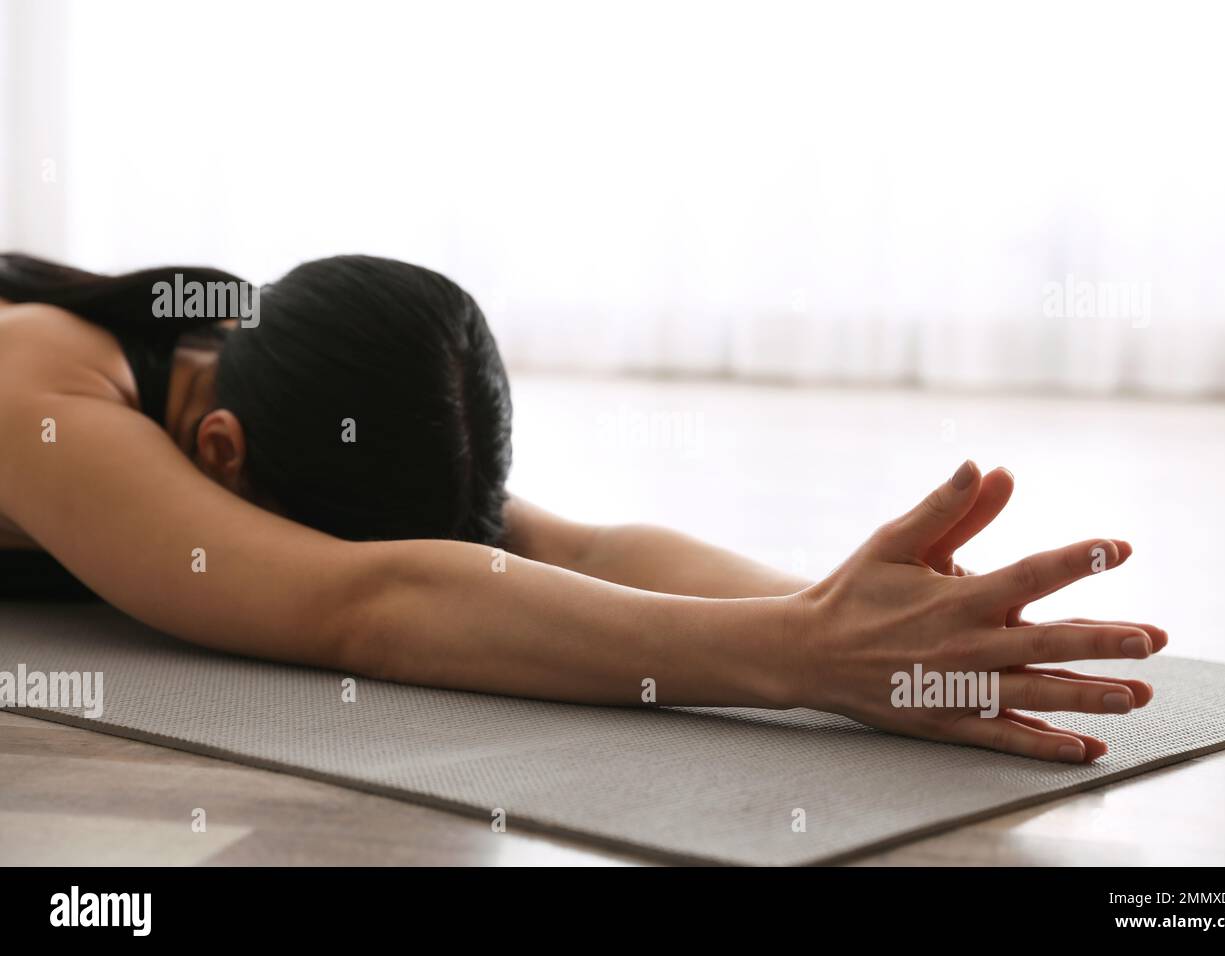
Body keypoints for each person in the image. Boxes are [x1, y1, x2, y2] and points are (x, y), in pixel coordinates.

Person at [0, 253, 1166, 763]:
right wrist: (804, 658)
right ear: (222, 453)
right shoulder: (35, 390)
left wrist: (869, 616)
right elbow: (365, 602)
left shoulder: (273, 368)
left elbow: (575, 547)